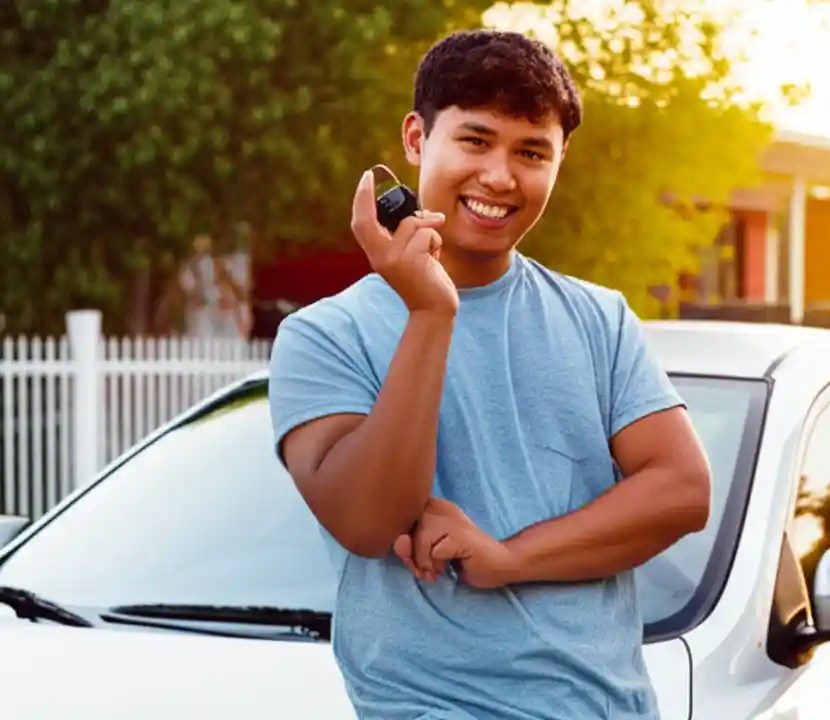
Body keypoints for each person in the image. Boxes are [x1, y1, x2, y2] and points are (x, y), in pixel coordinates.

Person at [267, 28, 712, 720]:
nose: (501, 177)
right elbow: (366, 519)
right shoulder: (324, 335)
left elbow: (682, 490)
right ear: (417, 140)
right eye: (475, 141)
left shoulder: (601, 319)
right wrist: (430, 315)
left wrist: (509, 556)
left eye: (531, 152)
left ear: (560, 162)